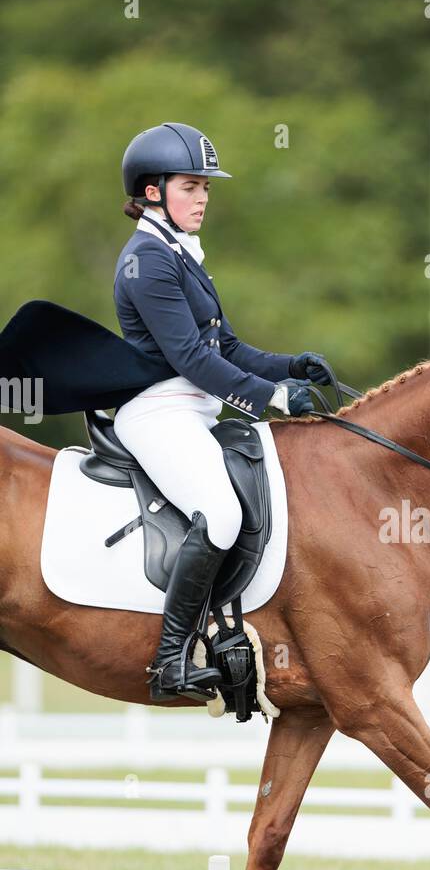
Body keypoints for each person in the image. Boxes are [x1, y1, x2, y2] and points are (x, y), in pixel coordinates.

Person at [114, 121, 329, 704]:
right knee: (221, 514)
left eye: (206, 187)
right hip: (160, 410)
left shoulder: (181, 255)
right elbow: (187, 357)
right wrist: (269, 399)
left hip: (195, 408)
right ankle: (170, 662)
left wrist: (290, 367)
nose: (203, 197)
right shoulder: (147, 261)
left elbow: (227, 349)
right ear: (152, 191)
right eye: (191, 186)